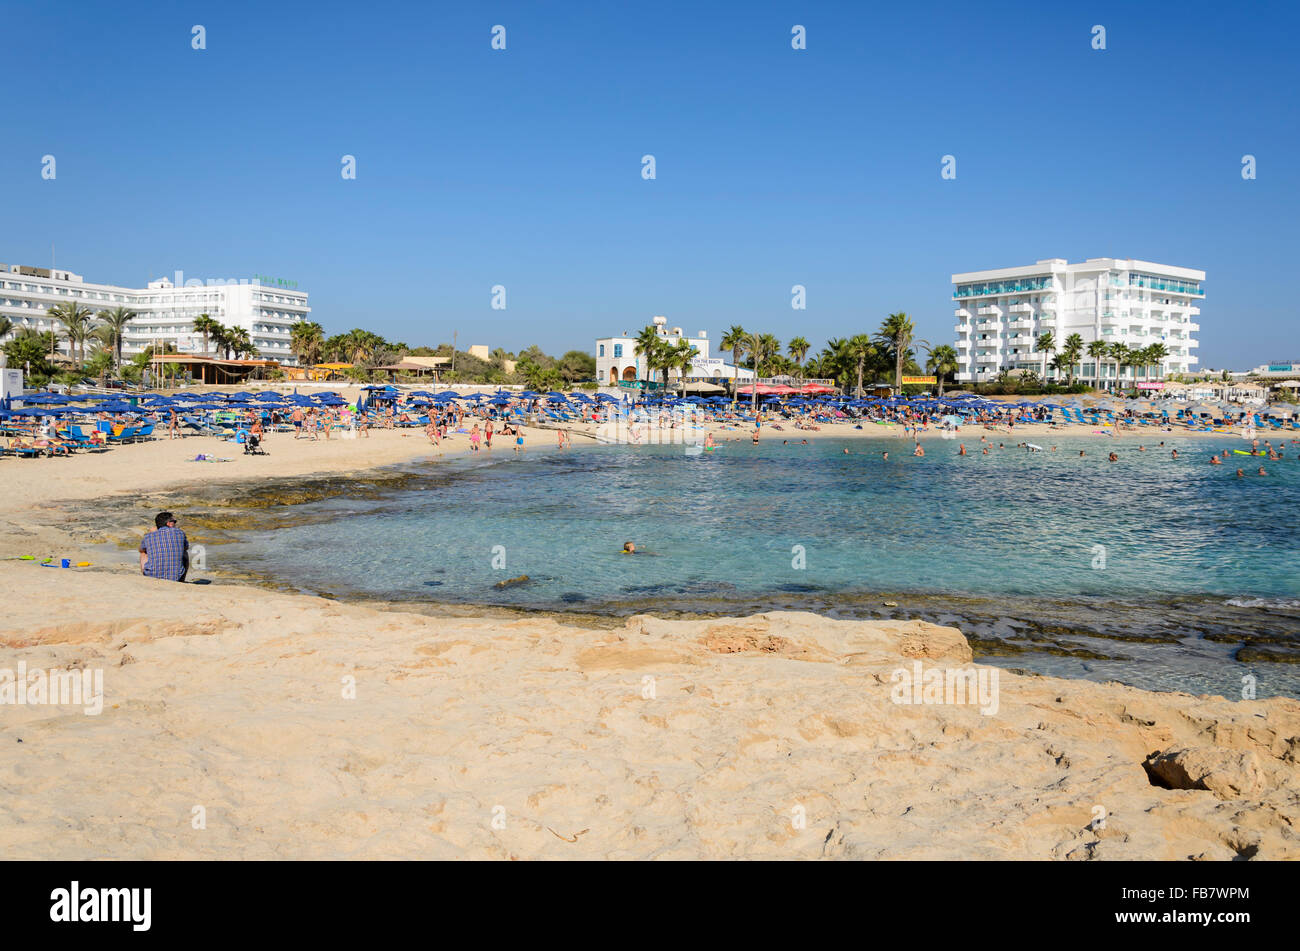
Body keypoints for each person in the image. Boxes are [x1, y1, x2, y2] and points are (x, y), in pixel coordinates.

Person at [139, 511, 189, 582]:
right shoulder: (180, 533)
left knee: (143, 553)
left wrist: (152, 533)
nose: (175, 524)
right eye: (174, 521)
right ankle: (182, 580)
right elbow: (186, 547)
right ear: (169, 523)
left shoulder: (148, 536)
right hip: (176, 578)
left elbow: (141, 550)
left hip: (152, 576)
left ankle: (147, 579)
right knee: (184, 552)